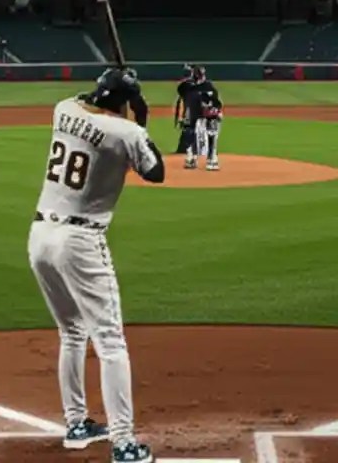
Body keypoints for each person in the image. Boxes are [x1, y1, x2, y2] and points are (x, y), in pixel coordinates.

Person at [29, 67, 164, 463]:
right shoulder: (127, 133)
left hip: (40, 237)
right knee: (110, 342)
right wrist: (140, 119)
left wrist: (121, 95)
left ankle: (76, 423)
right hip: (81, 242)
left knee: (71, 332)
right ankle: (123, 443)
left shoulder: (63, 108)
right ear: (123, 103)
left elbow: (90, 101)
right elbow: (156, 171)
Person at [181, 66, 223, 171]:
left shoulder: (205, 86)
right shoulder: (190, 87)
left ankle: (207, 158)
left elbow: (216, 101)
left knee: (209, 131)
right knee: (191, 131)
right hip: (196, 113)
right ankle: (195, 158)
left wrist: (216, 110)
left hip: (204, 113)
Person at [173, 64, 196, 155]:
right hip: (194, 113)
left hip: (189, 113)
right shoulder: (195, 84)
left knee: (188, 129)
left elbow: (180, 101)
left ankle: (184, 149)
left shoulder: (183, 86)